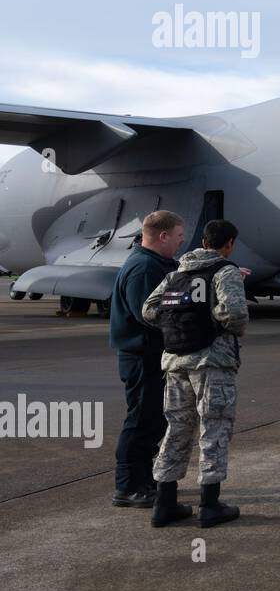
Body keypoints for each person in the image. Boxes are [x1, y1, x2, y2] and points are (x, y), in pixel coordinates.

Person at [143, 219, 248, 528]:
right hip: (212, 363)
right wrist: (215, 322)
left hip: (176, 362)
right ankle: (210, 504)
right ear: (229, 244)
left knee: (176, 428)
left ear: (203, 240)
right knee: (213, 428)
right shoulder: (225, 271)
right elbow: (236, 315)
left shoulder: (177, 273)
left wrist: (179, 324)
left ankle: (165, 503)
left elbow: (149, 310)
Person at [108, 209, 186, 509]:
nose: (181, 242)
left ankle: (143, 479)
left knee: (153, 422)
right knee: (140, 421)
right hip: (141, 357)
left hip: (152, 356)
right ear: (163, 236)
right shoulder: (143, 268)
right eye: (179, 237)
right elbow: (150, 314)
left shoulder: (158, 264)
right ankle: (127, 486)